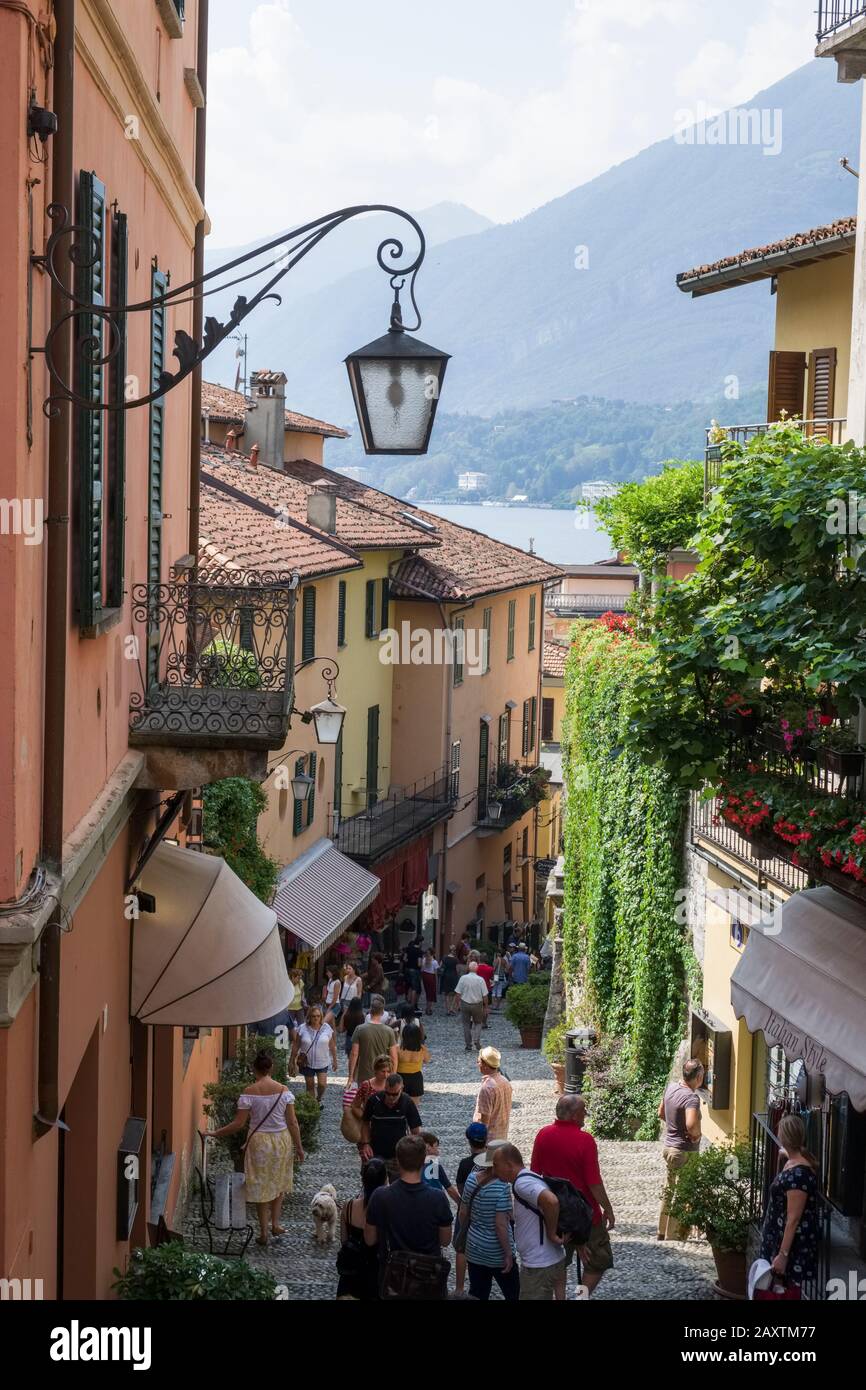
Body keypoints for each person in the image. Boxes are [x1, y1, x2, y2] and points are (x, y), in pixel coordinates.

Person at [202, 1049, 304, 1247]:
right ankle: (276, 1223)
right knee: (279, 1181)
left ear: (253, 1069)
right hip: (281, 1140)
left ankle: (264, 1232)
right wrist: (299, 1146)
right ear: (271, 1068)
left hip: (259, 1142)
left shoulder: (249, 1092)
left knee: (260, 1184)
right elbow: (292, 1122)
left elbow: (238, 1124)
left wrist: (215, 1133)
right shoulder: (284, 1091)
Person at [531, 1093, 615, 1296]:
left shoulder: (543, 1134)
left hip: (555, 1213)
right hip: (585, 1215)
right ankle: (580, 1297)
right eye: (584, 1110)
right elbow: (594, 1183)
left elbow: (534, 1175)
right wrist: (608, 1208)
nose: (586, 1113)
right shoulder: (585, 1140)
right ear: (576, 1115)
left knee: (558, 1260)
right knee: (598, 1259)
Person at [364, 1135, 453, 1294]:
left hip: (393, 1278)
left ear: (398, 1160)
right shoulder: (438, 1198)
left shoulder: (380, 1196)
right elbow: (445, 1241)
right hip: (429, 1277)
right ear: (423, 1159)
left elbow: (369, 1240)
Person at [493, 1142, 567, 1301]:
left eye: (496, 1165)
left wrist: (552, 1233)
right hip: (555, 1258)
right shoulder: (531, 1176)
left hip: (539, 1265)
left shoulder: (522, 1183)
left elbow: (551, 1201)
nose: (494, 1170)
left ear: (509, 1165)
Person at [759, 1114, 820, 1294]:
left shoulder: (799, 1175)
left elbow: (793, 1219)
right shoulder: (796, 1161)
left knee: (784, 1291)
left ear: (784, 1137)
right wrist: (785, 1153)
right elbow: (793, 1153)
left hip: (789, 1248)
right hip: (777, 1240)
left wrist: (783, 1256)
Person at [459, 1140, 520, 1301]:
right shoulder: (502, 1187)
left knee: (478, 1293)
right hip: (497, 1252)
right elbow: (501, 1225)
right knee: (513, 1293)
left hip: (474, 1247)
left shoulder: (472, 1178)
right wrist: (508, 1253)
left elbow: (463, 1213)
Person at [658, 1058, 704, 1241]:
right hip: (684, 1151)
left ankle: (662, 1230)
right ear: (699, 1077)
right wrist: (696, 1135)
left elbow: (661, 1112)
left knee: (669, 1190)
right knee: (683, 1192)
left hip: (669, 1147)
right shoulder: (691, 1097)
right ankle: (675, 1234)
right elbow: (691, 1124)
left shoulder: (671, 1087)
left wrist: (674, 1128)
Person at [337, 1158, 388, 1302]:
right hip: (377, 1274)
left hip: (351, 1273)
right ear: (385, 1180)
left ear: (363, 1179)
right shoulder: (387, 1209)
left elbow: (344, 1240)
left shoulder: (349, 1206)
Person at [359, 1074, 422, 1179]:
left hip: (398, 1156)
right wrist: (365, 1144)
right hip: (375, 1152)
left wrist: (413, 1152)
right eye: (388, 1093)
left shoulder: (407, 1102)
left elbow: (415, 1130)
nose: (391, 1098)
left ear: (401, 1089)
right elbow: (365, 1123)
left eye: (395, 1094)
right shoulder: (374, 1100)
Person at [290, 1004, 337, 1106]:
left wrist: (335, 1060)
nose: (316, 1018)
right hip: (307, 1062)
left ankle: (319, 1098)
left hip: (323, 1062)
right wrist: (291, 1061)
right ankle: (313, 1106)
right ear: (309, 1017)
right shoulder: (302, 1028)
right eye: (313, 1016)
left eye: (318, 1016)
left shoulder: (327, 1028)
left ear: (321, 1016)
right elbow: (296, 1045)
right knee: (310, 1086)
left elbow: (332, 1045)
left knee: (322, 1084)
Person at [348, 995, 399, 1085]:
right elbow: (394, 1057)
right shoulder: (389, 1031)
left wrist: (351, 1076)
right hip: (383, 1074)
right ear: (382, 1013)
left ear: (370, 1011)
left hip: (364, 1074)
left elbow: (354, 1054)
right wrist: (392, 1075)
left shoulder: (359, 1029)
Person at [473, 1046, 513, 1140]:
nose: (477, 1064)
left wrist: (479, 1141)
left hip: (488, 1141)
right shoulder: (505, 1081)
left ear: (485, 1065)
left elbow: (484, 1121)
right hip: (502, 1136)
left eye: (479, 1061)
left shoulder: (487, 1088)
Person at [455, 960, 488, 1052]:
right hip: (477, 1004)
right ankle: (476, 1039)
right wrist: (486, 1007)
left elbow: (458, 993)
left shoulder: (463, 978)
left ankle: (468, 1045)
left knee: (466, 1024)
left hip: (465, 1003)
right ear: (477, 969)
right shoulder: (480, 980)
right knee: (478, 1022)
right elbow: (485, 995)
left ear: (469, 968)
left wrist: (457, 1004)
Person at [396, 1018, 431, 1103]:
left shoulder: (398, 1048)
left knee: (399, 1104)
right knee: (414, 1106)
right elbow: (427, 1060)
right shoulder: (422, 1049)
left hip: (400, 1077)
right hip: (416, 1078)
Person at [421, 1131, 460, 1204]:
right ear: (428, 1147)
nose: (438, 1151)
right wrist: (460, 1204)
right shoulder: (433, 1163)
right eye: (436, 1147)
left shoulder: (413, 1163)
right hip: (435, 1202)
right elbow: (449, 1188)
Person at [456, 1121, 489, 1195]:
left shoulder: (464, 1163)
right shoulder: (496, 1161)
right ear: (486, 1139)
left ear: (469, 1142)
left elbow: (460, 1187)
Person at [402, 935, 424, 1009]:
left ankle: (407, 1002)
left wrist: (409, 962)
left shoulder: (408, 948)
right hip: (415, 971)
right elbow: (419, 963)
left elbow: (404, 959)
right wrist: (422, 966)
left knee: (409, 987)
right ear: (420, 942)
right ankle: (412, 1005)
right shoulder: (419, 951)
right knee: (415, 988)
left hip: (407, 969)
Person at [440, 948, 460, 1015]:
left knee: (446, 993)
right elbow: (457, 970)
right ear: (454, 951)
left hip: (446, 976)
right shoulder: (456, 959)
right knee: (454, 993)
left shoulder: (444, 958)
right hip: (453, 976)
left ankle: (448, 1010)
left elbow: (440, 966)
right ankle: (451, 1008)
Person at [420, 949, 439, 1015]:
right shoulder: (434, 962)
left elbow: (422, 970)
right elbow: (436, 973)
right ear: (433, 954)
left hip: (425, 976)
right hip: (431, 976)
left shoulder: (424, 959)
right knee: (431, 993)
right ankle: (428, 1009)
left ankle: (427, 1007)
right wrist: (436, 981)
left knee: (427, 992)